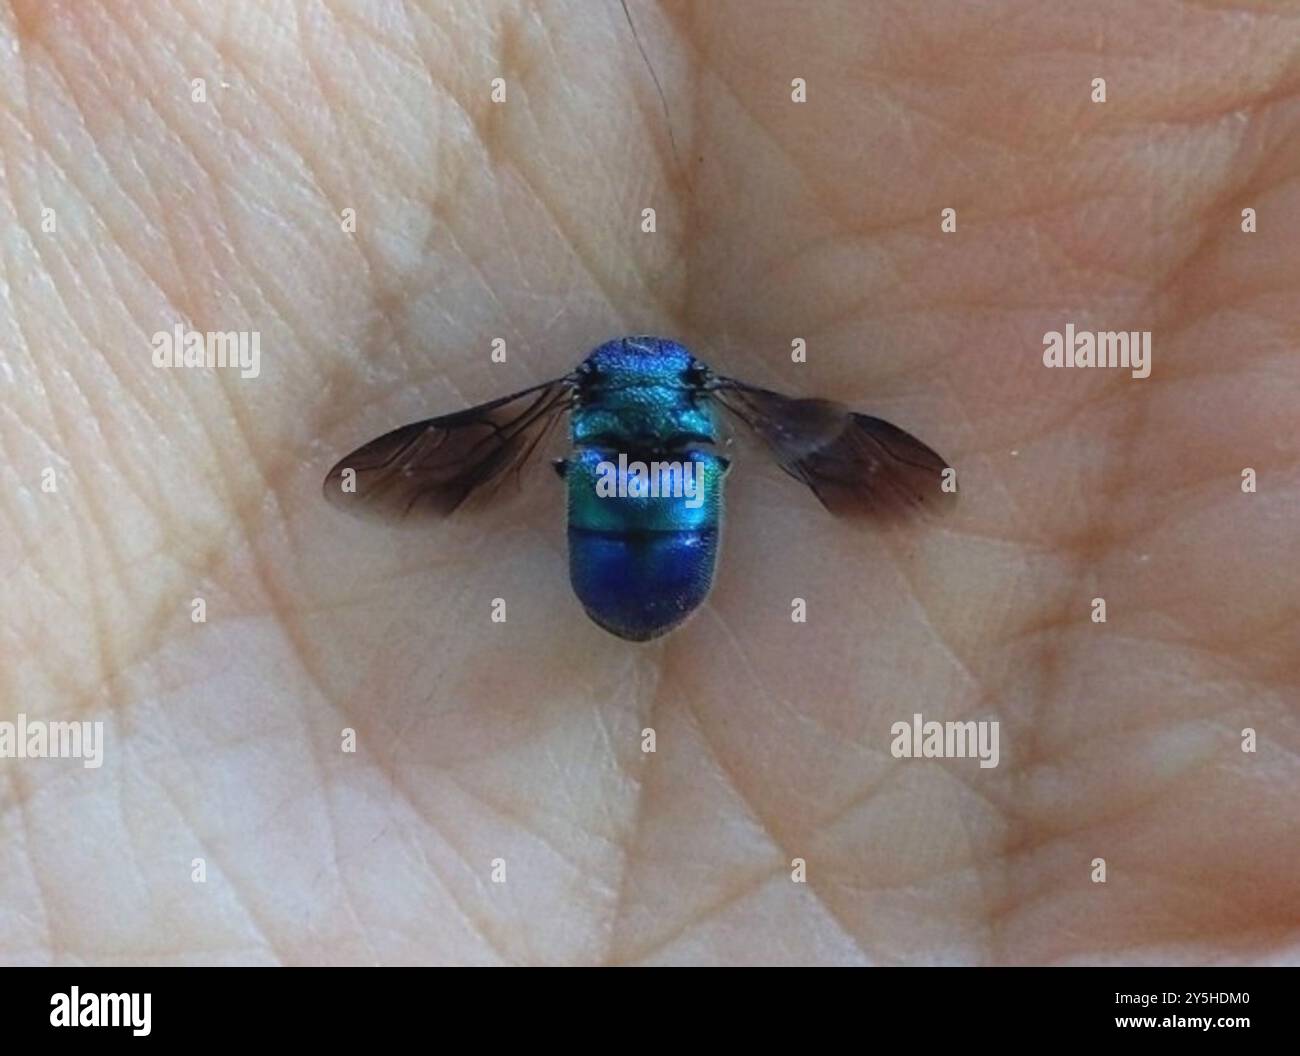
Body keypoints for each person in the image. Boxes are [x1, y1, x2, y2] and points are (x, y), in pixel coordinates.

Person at [1, 0, 1295, 966]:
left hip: (621, 562)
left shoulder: (552, 413)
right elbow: (849, 455)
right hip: (660, 563)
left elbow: (442, 462)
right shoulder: (725, 407)